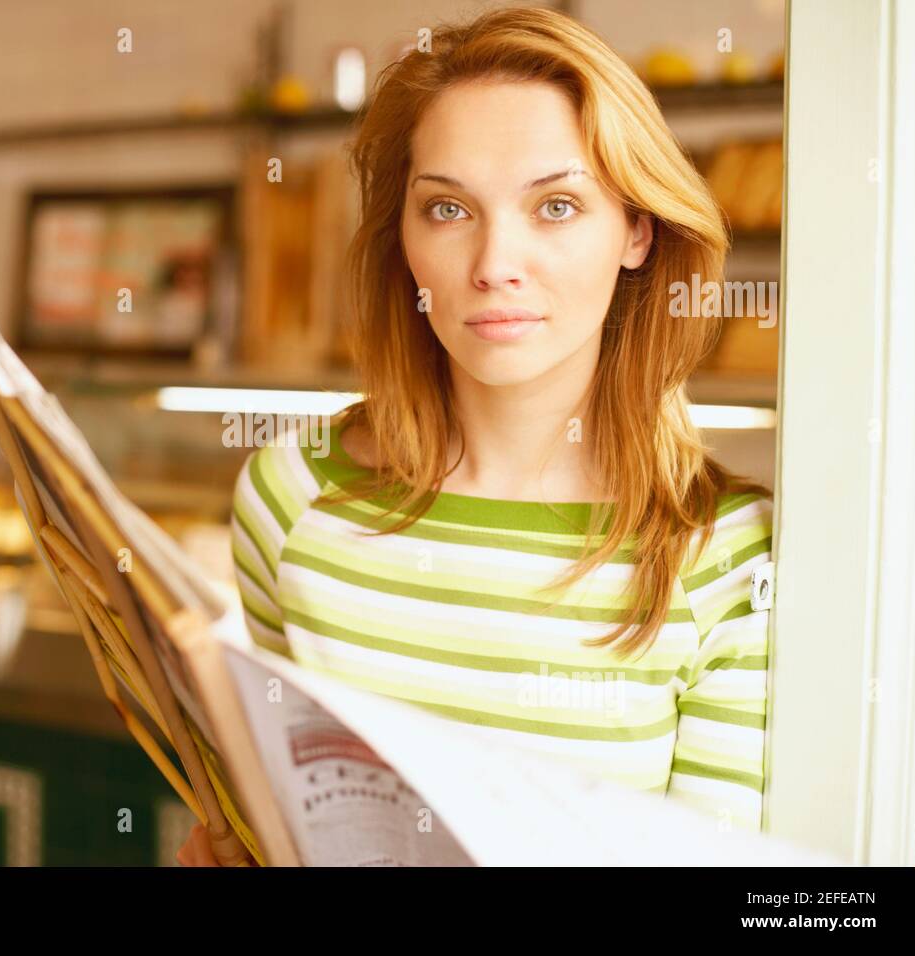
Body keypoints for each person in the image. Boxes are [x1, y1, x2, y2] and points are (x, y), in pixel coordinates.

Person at [184, 6, 774, 865]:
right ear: (405, 242)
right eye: (450, 208)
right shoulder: (290, 495)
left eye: (557, 205)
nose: (495, 262)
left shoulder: (724, 553)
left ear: (637, 231)